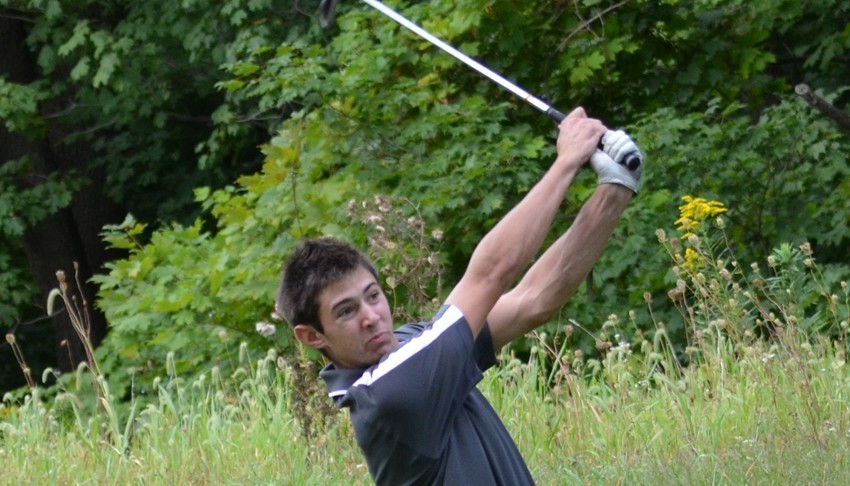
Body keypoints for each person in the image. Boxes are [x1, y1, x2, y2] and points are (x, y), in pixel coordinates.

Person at [276, 107, 642, 485]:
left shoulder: (410, 347)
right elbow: (491, 273)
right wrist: (567, 161)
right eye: (346, 311)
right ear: (312, 335)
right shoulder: (388, 393)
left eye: (372, 295)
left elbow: (533, 301)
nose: (371, 316)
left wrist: (613, 190)